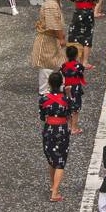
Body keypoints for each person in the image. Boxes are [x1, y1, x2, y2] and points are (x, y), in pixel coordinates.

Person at [31, 0, 69, 95]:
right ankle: (44, 90)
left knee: (56, 62)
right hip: (48, 38)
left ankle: (57, 85)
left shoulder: (53, 2)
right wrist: (61, 38)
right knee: (47, 64)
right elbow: (54, 25)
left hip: (52, 37)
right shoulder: (51, 5)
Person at [40, 70, 73, 202]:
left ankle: (53, 186)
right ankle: (54, 192)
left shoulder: (43, 99)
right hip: (62, 130)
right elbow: (70, 113)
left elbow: (42, 116)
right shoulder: (65, 99)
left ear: (49, 83)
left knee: (52, 158)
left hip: (48, 129)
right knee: (60, 161)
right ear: (61, 83)